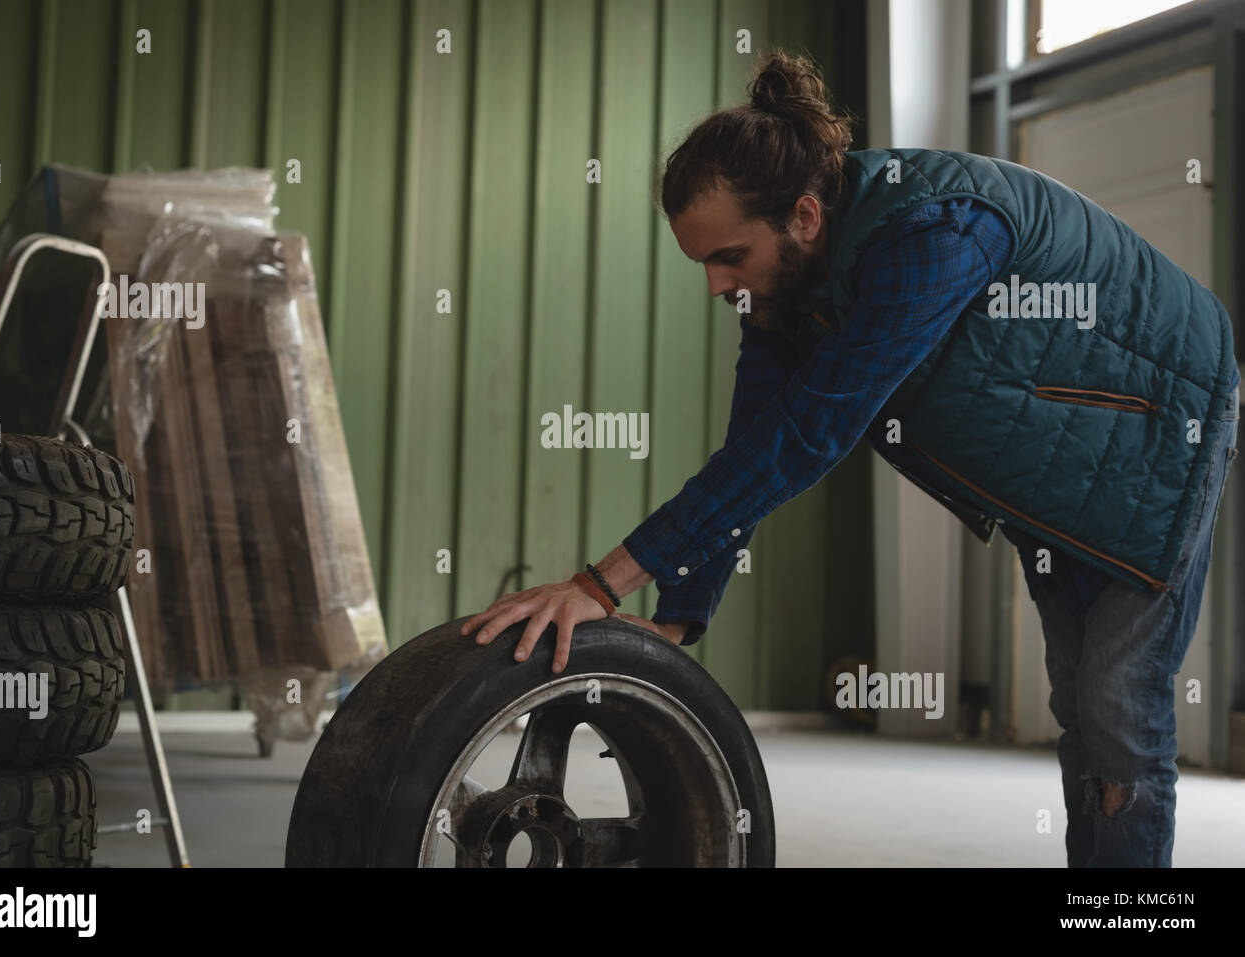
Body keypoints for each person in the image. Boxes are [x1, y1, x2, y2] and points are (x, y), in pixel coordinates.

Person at [459, 49, 1240, 867]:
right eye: (704, 263)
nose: (718, 285)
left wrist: (596, 584)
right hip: (1060, 456)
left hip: (1164, 418)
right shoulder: (783, 291)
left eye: (730, 257)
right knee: (1080, 702)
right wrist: (679, 611)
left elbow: (808, 435)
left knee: (1120, 702)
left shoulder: (934, 231)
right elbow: (753, 442)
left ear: (802, 216)